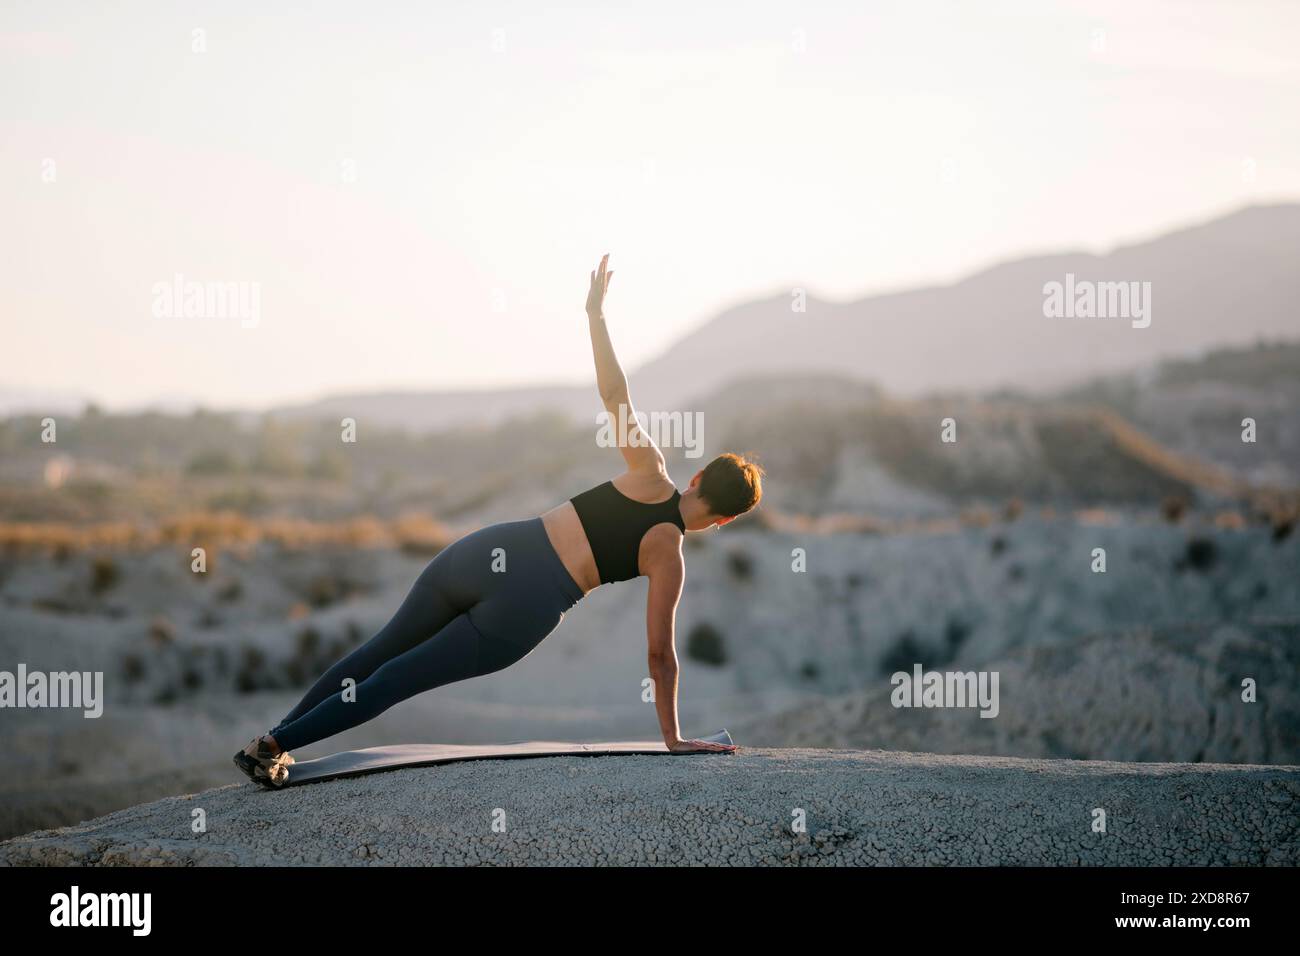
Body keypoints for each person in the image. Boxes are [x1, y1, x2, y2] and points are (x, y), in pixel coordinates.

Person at [235, 255, 761, 787]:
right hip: (525, 608)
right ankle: (275, 747)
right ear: (724, 520)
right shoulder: (667, 553)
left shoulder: (649, 471)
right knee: (397, 679)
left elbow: (614, 394)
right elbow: (659, 656)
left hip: (491, 551)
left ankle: (272, 740)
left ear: (696, 479)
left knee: (377, 653)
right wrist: (672, 737)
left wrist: (595, 316)